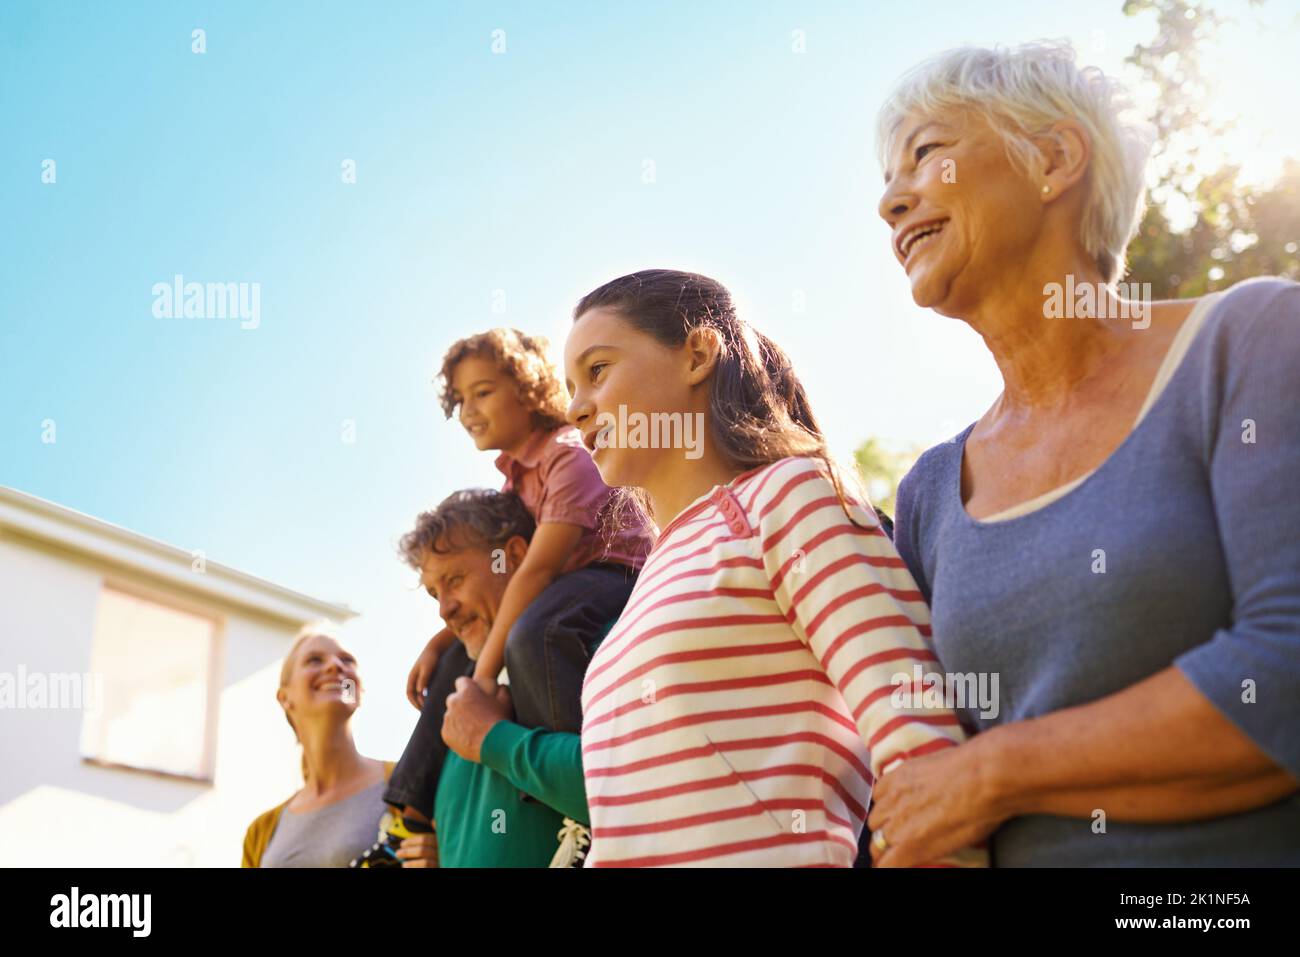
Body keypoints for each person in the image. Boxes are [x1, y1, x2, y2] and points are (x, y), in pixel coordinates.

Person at [868, 41, 1300, 866]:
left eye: (926, 154)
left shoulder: (1252, 340)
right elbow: (915, 771)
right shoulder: (928, 489)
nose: (891, 202)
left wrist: (996, 773)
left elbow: (1284, 673)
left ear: (1054, 159)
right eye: (886, 180)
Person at [563, 268, 988, 867]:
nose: (577, 409)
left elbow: (915, 727)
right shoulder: (657, 572)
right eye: (570, 389)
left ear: (697, 354)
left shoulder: (788, 497)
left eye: (597, 370)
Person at [363, 329, 653, 860]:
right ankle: (407, 814)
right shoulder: (515, 480)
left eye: (483, 391)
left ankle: (566, 801)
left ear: (528, 386)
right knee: (466, 649)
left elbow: (536, 572)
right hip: (565, 585)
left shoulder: (569, 456)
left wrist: (478, 682)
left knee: (534, 631)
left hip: (615, 574)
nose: (469, 410)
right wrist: (440, 642)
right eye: (461, 399)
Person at [395, 489, 598, 867]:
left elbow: (631, 784)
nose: (444, 609)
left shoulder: (592, 644)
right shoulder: (457, 699)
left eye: (456, 579)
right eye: (433, 593)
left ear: (515, 558)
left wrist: (493, 739)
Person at [241, 623, 432, 867]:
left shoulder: (408, 785)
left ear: (359, 690)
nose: (335, 666)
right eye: (314, 660)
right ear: (285, 697)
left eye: (347, 660)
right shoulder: (261, 832)